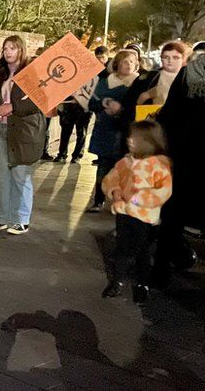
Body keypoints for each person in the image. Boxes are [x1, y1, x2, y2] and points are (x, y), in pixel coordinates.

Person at [0, 35, 45, 235]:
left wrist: (14, 107)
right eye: (5, 48)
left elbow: (38, 101)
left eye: (12, 48)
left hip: (23, 133)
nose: (8, 52)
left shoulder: (32, 74)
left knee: (20, 175)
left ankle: (20, 218)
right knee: (0, 175)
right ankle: (0, 218)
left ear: (21, 50)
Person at [150, 48, 205, 287]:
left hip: (183, 155)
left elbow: (169, 115)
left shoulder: (187, 74)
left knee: (173, 213)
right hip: (189, 156)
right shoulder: (186, 75)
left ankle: (161, 268)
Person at [100, 120, 172, 303]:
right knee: (122, 249)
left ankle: (142, 284)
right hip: (124, 213)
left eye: (136, 138)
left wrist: (137, 199)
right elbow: (111, 178)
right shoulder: (126, 161)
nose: (130, 140)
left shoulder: (158, 166)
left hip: (145, 217)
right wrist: (115, 191)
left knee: (142, 252)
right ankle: (117, 281)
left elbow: (163, 192)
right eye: (130, 136)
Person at [86, 50, 140, 212]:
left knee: (125, 168)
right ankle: (98, 200)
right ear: (117, 64)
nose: (128, 64)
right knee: (103, 165)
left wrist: (122, 109)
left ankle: (121, 201)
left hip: (127, 131)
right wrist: (105, 102)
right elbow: (91, 103)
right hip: (106, 130)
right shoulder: (105, 82)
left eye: (131, 61)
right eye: (125, 61)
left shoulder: (139, 82)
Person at [121, 41, 189, 123]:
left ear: (183, 59)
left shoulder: (191, 81)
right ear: (161, 58)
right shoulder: (148, 78)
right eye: (166, 57)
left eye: (175, 57)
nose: (170, 60)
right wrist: (142, 98)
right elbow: (128, 104)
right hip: (150, 126)